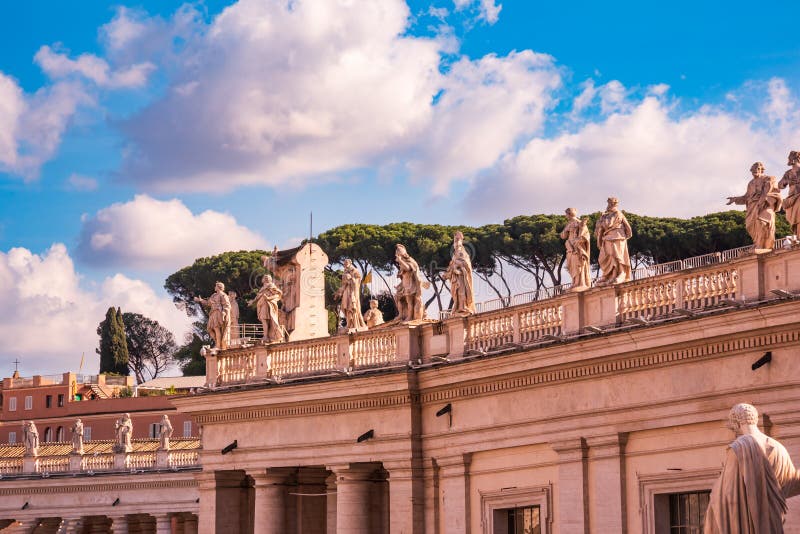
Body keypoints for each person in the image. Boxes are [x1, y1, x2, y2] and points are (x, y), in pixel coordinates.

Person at [705, 403, 800, 532]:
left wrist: (720, 483)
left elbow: (728, 495)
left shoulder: (738, 448)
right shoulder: (778, 448)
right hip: (772, 522)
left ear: (736, 423)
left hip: (747, 525)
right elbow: (790, 484)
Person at [727, 162, 782, 250]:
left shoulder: (769, 178)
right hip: (752, 207)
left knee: (762, 223)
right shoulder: (751, 183)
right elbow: (746, 197)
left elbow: (769, 191)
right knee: (749, 226)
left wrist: (761, 201)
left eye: (756, 169)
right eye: (752, 170)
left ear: (761, 169)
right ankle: (757, 243)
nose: (754, 171)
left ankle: (763, 245)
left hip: (765, 204)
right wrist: (735, 199)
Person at [594, 197, 632, 285]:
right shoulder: (606, 216)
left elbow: (609, 224)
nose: (608, 205)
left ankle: (621, 273)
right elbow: (598, 229)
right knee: (606, 256)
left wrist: (602, 220)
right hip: (607, 237)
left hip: (617, 236)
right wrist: (601, 220)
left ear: (614, 204)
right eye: (608, 203)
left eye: (610, 203)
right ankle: (610, 275)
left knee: (617, 256)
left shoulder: (617, 213)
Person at [442, 232, 476, 315]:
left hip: (462, 277)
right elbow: (451, 267)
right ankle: (458, 307)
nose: (456, 243)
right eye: (455, 241)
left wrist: (458, 265)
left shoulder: (463, 253)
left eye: (457, 240)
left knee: (462, 291)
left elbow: (467, 264)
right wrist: (447, 273)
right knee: (456, 293)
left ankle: (463, 306)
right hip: (455, 278)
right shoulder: (454, 256)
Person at [194, 282, 231, 350]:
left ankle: (218, 345)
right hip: (212, 313)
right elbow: (208, 303)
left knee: (216, 328)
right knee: (209, 329)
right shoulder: (214, 295)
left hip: (218, 312)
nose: (214, 287)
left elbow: (227, 305)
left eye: (216, 286)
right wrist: (200, 300)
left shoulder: (223, 295)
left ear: (219, 287)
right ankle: (217, 342)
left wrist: (224, 312)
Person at [560, 208, 592, 289]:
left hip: (577, 248)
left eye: (566, 214)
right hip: (570, 248)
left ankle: (580, 283)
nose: (566, 216)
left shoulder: (579, 223)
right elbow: (563, 236)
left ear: (569, 214)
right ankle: (574, 282)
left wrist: (578, 240)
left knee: (578, 265)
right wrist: (566, 230)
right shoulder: (568, 224)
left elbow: (586, 236)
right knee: (571, 265)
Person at [249, 275, 284, 343]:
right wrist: (252, 302)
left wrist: (269, 298)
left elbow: (278, 294)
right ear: (262, 280)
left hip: (267, 304)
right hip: (262, 305)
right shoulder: (263, 287)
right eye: (265, 278)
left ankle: (266, 336)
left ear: (270, 279)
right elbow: (258, 296)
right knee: (264, 320)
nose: (266, 279)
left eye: (267, 278)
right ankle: (266, 336)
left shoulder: (271, 285)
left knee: (265, 320)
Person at [395, 244, 426, 321]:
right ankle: (401, 314)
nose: (396, 255)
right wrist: (399, 285)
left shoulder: (409, 260)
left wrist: (400, 260)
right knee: (397, 297)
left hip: (410, 285)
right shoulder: (402, 262)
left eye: (397, 253)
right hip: (405, 285)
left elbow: (408, 268)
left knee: (410, 302)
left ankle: (410, 316)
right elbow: (403, 275)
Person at [335, 259, 367, 330]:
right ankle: (349, 324)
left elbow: (358, 279)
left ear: (350, 263)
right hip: (346, 290)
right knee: (344, 306)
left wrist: (351, 280)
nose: (345, 264)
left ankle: (352, 324)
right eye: (344, 263)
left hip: (352, 291)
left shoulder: (354, 270)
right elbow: (343, 284)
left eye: (346, 262)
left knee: (350, 307)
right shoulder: (345, 271)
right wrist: (339, 292)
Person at [779, 150, 800, 240]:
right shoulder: (788, 173)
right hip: (791, 198)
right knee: (795, 218)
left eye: (789, 158)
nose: (788, 160)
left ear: (795, 159)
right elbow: (780, 185)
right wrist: (785, 182)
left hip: (799, 197)